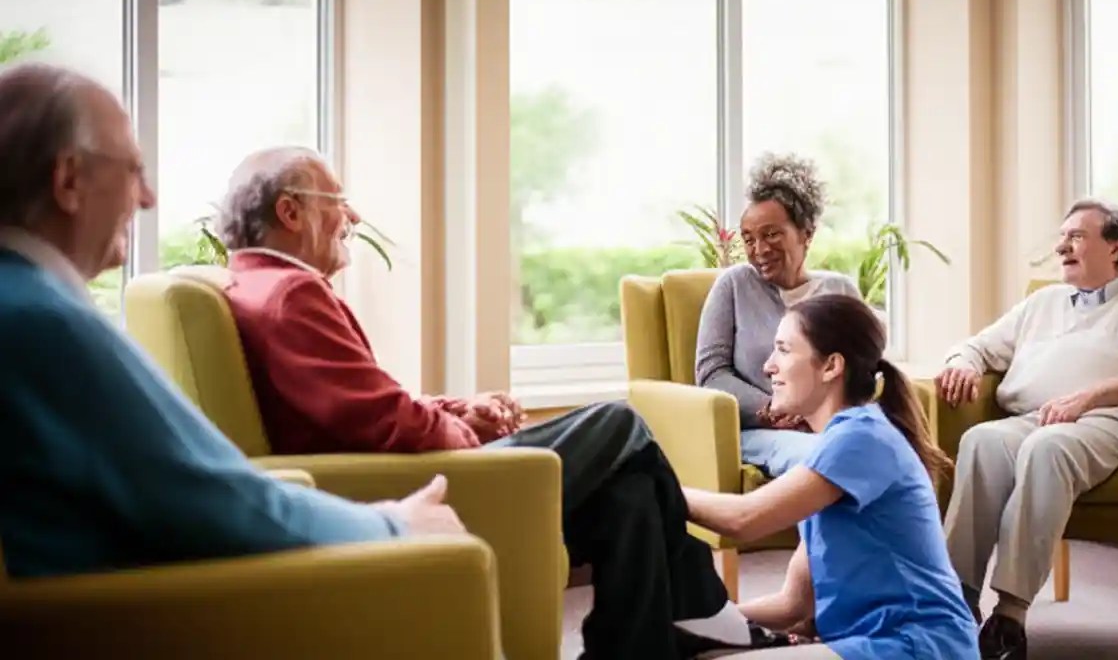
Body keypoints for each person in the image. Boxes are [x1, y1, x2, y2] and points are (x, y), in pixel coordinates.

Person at [214, 146, 794, 660]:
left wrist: (458, 408)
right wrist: (465, 431)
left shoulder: (264, 287)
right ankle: (702, 601)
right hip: (419, 492)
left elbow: (361, 400)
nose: (354, 216)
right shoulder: (291, 295)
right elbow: (375, 417)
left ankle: (642, 646)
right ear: (290, 212)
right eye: (338, 200)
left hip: (394, 470)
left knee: (632, 492)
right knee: (619, 422)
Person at [0, 63, 467, 583]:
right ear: (68, 180)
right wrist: (395, 526)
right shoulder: (45, 324)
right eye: (133, 171)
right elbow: (217, 503)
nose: (148, 198)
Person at [935, 199, 1118, 660]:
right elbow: (978, 346)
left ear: (1117, 247)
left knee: (1047, 448)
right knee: (980, 439)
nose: (1062, 246)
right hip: (1034, 418)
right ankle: (957, 600)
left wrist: (1091, 396)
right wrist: (961, 360)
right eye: (1062, 237)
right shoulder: (1042, 302)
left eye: (1076, 236)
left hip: (1109, 423)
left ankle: (1010, 617)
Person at [684, 294, 979, 660]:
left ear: (831, 367)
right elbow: (794, 605)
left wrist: (662, 485)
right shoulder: (831, 449)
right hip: (871, 642)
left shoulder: (861, 437)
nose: (768, 366)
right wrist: (693, 627)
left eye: (783, 350)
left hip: (917, 644)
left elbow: (743, 520)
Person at [695, 153, 861, 478]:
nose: (759, 249)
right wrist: (771, 408)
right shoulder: (734, 286)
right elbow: (711, 375)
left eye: (771, 234)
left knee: (872, 449)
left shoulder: (840, 292)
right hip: (762, 432)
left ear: (806, 234)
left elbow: (862, 370)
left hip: (832, 427)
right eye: (748, 239)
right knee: (822, 455)